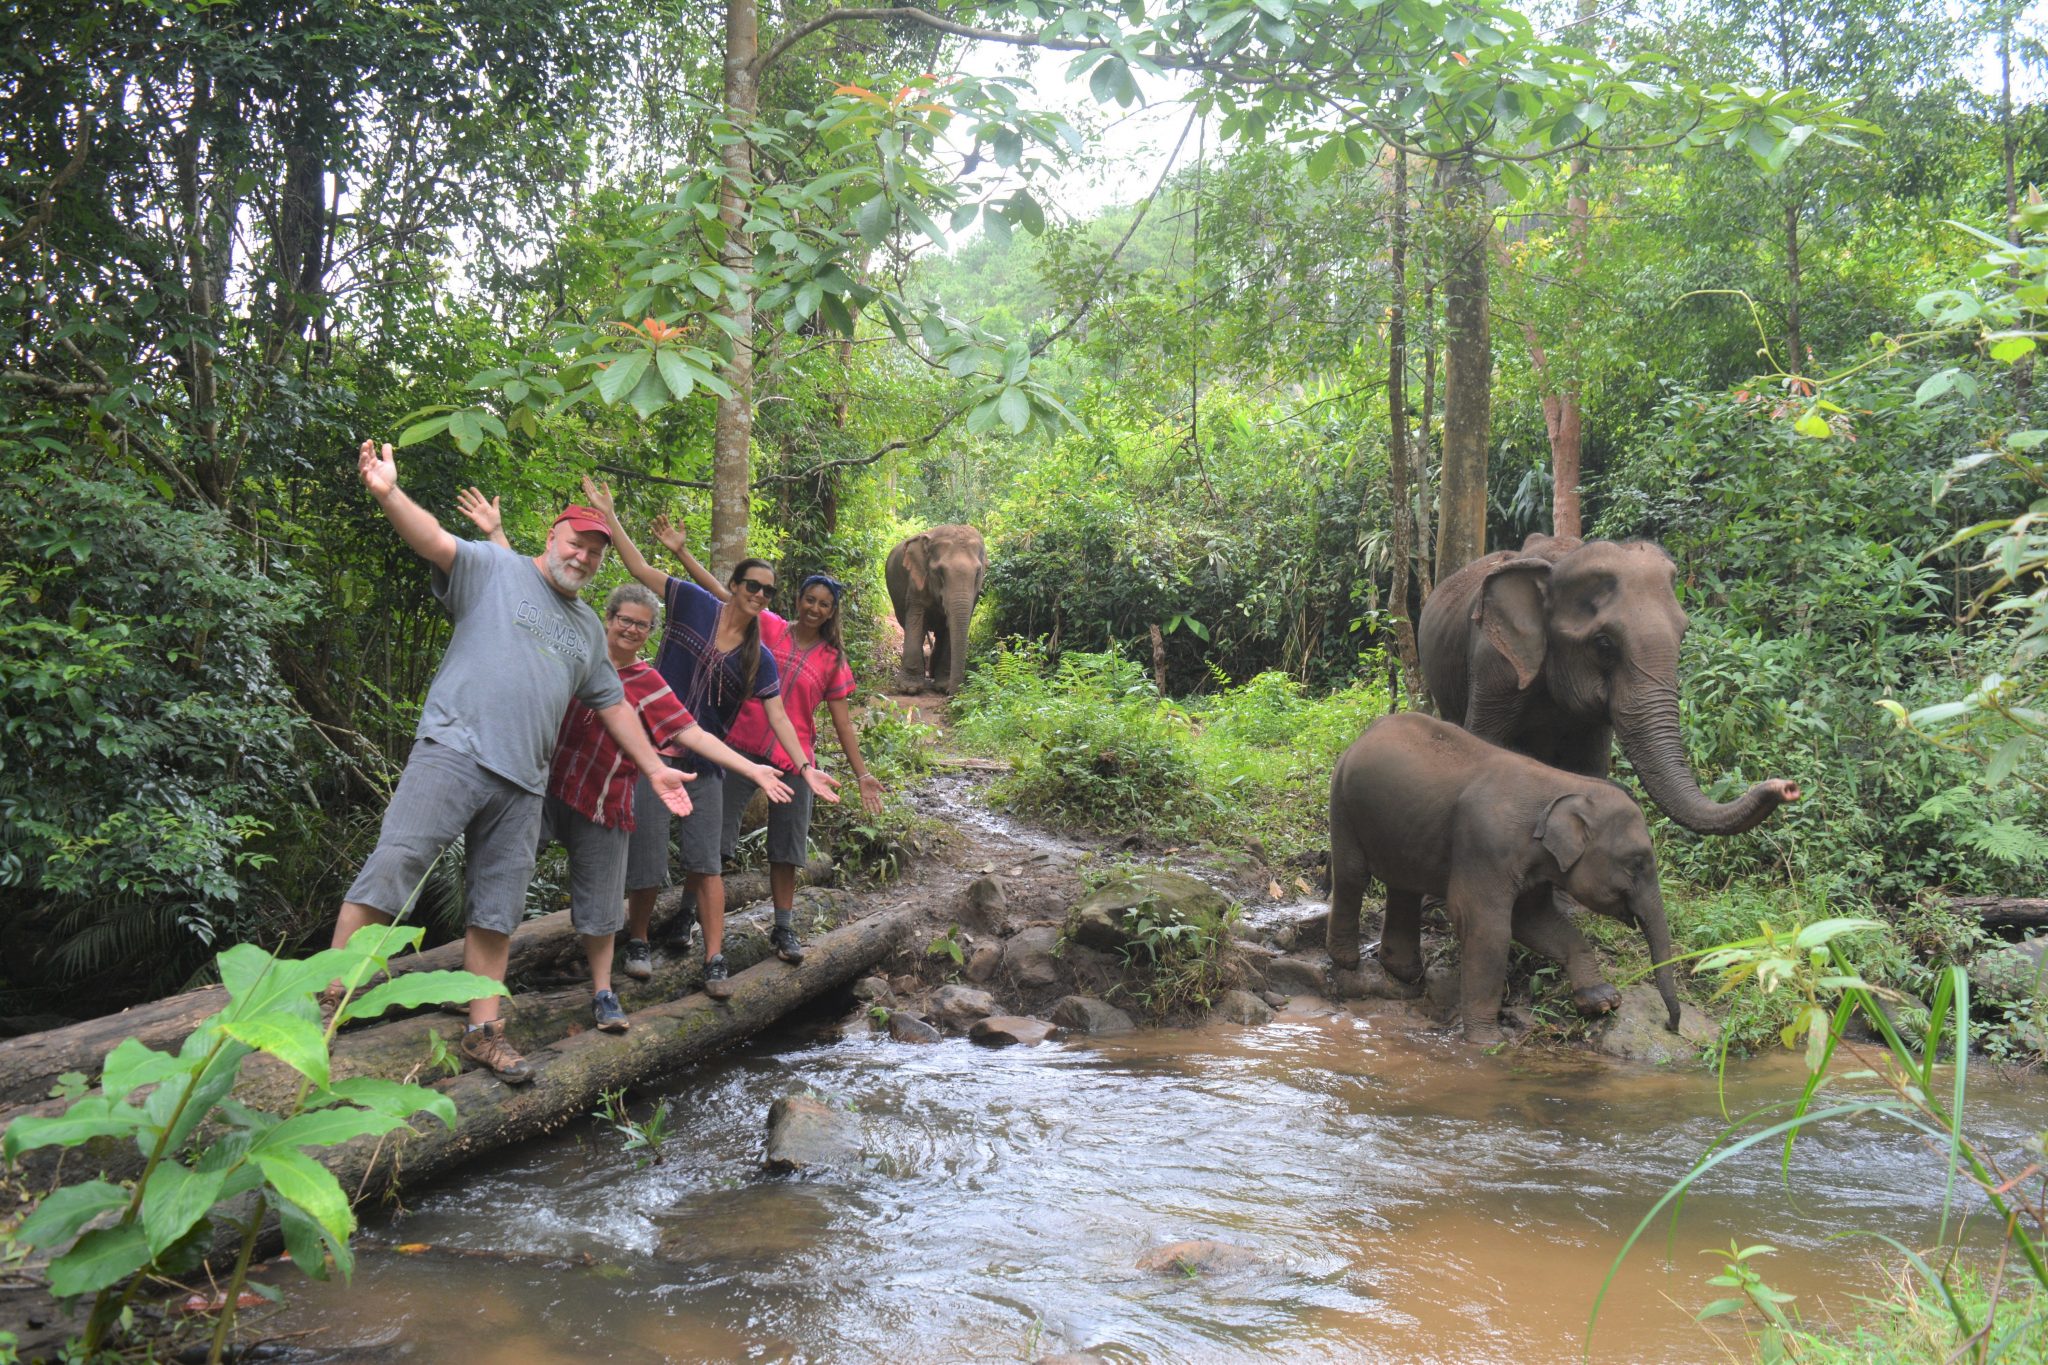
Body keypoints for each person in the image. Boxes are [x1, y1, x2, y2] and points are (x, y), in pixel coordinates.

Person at [323, 442, 693, 1085]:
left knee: (496, 910)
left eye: (595, 551)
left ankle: (483, 1031)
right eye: (576, 542)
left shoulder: (584, 630)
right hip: (454, 751)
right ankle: (323, 1001)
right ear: (553, 535)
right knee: (393, 869)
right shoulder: (496, 569)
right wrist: (387, 492)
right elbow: (435, 540)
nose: (583, 556)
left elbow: (615, 707)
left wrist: (654, 766)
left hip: (525, 783)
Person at [452, 489, 797, 1032]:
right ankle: (474, 992)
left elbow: (698, 730)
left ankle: (616, 986)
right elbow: (538, 598)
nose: (631, 630)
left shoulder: (660, 678)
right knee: (504, 883)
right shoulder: (583, 646)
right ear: (607, 619)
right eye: (624, 621)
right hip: (549, 785)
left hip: (622, 791)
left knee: (628, 892)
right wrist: (501, 534)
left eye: (642, 625)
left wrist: (764, 766)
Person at [581, 477, 840, 999]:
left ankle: (715, 958)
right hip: (653, 754)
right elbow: (637, 569)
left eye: (767, 590)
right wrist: (609, 516)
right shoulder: (693, 604)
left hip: (707, 766)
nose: (759, 595)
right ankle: (637, 941)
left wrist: (805, 765)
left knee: (706, 863)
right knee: (649, 857)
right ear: (735, 586)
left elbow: (781, 719)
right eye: (752, 586)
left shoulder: (758, 655)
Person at [652, 517, 886, 962]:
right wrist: (681, 553)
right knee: (711, 841)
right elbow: (720, 594)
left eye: (824, 604)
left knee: (787, 849)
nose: (815, 609)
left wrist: (862, 774)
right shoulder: (770, 627)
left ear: (832, 611)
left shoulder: (834, 660)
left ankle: (783, 928)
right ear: (797, 601)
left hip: (795, 761)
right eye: (809, 600)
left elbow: (842, 722)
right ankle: (684, 917)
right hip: (737, 750)